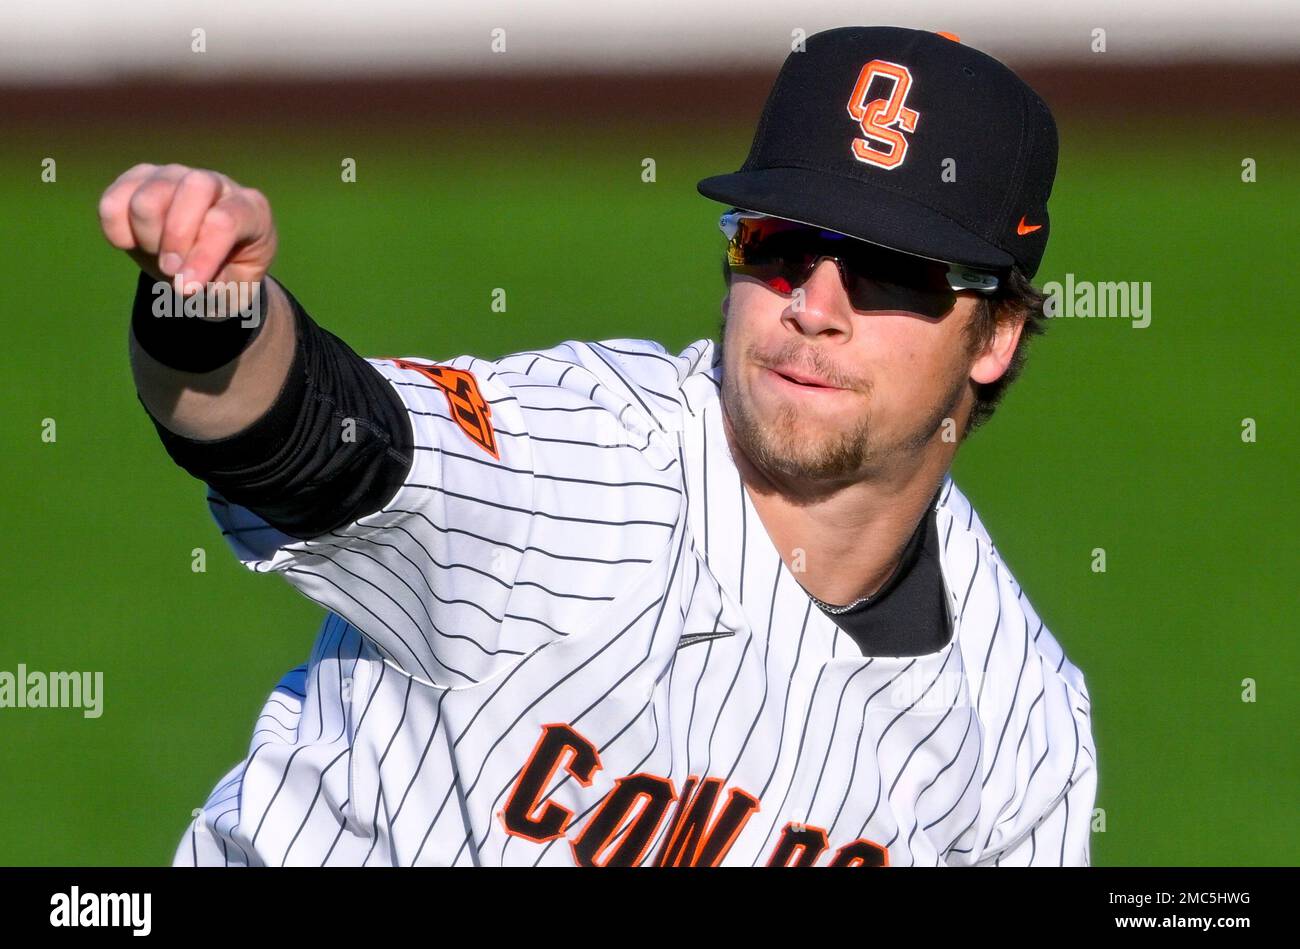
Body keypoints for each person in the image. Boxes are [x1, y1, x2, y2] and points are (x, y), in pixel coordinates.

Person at [100, 25, 1096, 866]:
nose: (813, 306)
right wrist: (209, 305)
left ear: (996, 334)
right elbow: (316, 438)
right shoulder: (585, 460)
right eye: (779, 245)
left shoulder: (1017, 728)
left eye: (890, 270)